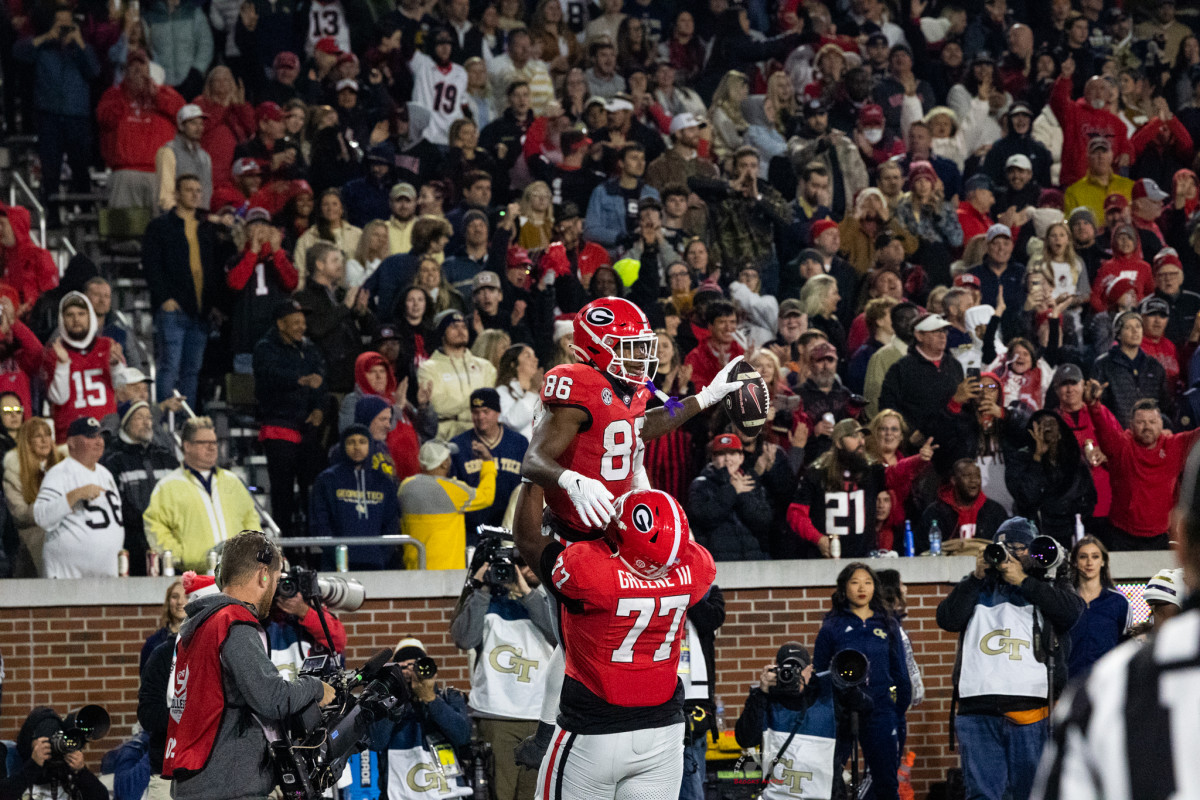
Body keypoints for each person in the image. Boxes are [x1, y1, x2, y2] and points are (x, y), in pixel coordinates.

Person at [512, 482, 716, 800]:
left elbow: (527, 539)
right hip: (663, 735)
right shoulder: (696, 569)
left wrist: (534, 478)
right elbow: (679, 550)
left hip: (595, 733)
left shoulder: (590, 572)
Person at [1030, 443, 1200, 800]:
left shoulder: (1105, 693)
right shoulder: (1069, 606)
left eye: (1095, 557)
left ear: (1180, 539)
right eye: (1083, 557)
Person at [162, 531, 335, 798]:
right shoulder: (232, 622)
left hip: (198, 780)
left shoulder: (199, 624)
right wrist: (315, 687)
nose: (275, 589)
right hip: (225, 788)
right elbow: (272, 698)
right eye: (276, 579)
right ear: (263, 574)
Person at [936, 517, 1084, 800]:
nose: (1010, 554)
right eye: (1004, 547)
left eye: (1019, 548)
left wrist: (1025, 581)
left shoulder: (1045, 585)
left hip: (1029, 707)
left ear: (1033, 552)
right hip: (977, 708)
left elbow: (1071, 614)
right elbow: (948, 619)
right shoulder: (979, 585)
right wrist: (975, 577)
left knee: (1032, 792)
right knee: (981, 795)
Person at [450, 551, 556, 800]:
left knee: (535, 794)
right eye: (517, 564)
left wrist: (526, 593)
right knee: (500, 794)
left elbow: (560, 634)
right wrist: (482, 588)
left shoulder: (550, 602)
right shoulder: (485, 603)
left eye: (527, 562)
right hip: (497, 716)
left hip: (541, 717)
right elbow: (463, 639)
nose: (523, 569)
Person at [814, 562, 910, 800]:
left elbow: (900, 672)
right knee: (829, 780)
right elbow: (820, 673)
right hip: (843, 713)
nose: (861, 588)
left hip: (881, 712)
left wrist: (897, 710)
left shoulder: (888, 624)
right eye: (855, 582)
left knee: (886, 783)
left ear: (875, 587)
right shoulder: (832, 626)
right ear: (843, 588)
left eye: (867, 582)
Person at [1085, 380, 1200, 550]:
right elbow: (1105, 427)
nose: (1147, 427)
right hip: (1121, 536)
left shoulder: (1174, 446)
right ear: (1131, 425)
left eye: (1152, 422)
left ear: (1161, 423)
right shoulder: (1121, 446)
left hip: (1161, 536)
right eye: (1141, 422)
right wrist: (1094, 405)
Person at [143, 416, 261, 571]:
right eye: (204, 442)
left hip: (237, 575)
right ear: (187, 446)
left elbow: (251, 520)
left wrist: (251, 553)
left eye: (214, 442)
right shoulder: (168, 486)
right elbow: (155, 526)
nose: (212, 447)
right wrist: (180, 556)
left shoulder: (233, 481)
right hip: (195, 576)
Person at [252, 300, 328, 534]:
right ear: (281, 324)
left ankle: (313, 542)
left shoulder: (310, 348)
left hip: (307, 428)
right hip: (279, 426)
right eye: (295, 322)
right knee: (282, 492)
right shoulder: (265, 348)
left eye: (303, 322)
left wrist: (319, 409)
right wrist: (299, 379)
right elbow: (269, 375)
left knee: (312, 489)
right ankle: (283, 544)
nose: (301, 327)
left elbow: (321, 382)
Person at [142, 175, 218, 409]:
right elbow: (151, 265)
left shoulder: (206, 229)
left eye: (198, 190)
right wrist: (164, 298)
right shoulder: (160, 227)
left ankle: (186, 422)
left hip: (200, 312)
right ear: (176, 194)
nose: (195, 194)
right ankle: (166, 420)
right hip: (173, 310)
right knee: (169, 366)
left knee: (191, 371)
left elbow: (213, 268)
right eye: (189, 190)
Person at [367, 637, 474, 799]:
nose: (411, 672)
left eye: (416, 666)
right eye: (404, 667)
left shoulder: (449, 697)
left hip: (446, 794)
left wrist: (431, 699)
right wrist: (397, 697)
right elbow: (377, 742)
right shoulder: (387, 704)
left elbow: (462, 736)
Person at [733, 641, 838, 800]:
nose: (792, 676)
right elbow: (746, 739)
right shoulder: (766, 699)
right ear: (777, 670)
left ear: (810, 670)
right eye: (787, 670)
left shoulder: (825, 697)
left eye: (798, 669)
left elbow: (865, 707)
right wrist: (760, 694)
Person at [33, 417, 123, 579]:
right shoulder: (59, 473)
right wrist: (74, 496)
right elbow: (41, 516)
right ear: (71, 443)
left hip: (106, 575)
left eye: (100, 436)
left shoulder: (106, 474)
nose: (99, 442)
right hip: (68, 577)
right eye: (91, 437)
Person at [103, 400, 179, 576]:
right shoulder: (113, 459)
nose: (147, 423)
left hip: (168, 540)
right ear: (126, 423)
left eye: (149, 418)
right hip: (133, 544)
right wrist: (145, 524)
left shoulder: (166, 457)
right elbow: (116, 503)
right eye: (139, 417)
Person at [399, 438, 496, 570]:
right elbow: (486, 496)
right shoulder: (452, 490)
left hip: (414, 571)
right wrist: (488, 463)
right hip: (447, 573)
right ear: (444, 463)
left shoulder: (405, 487)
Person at [42, 292, 125, 444]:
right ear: (62, 319)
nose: (76, 319)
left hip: (106, 435)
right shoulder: (54, 352)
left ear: (90, 316)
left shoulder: (108, 345)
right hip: (69, 438)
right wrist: (62, 364)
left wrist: (115, 365)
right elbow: (59, 398)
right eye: (70, 315)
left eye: (81, 314)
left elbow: (123, 388)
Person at [1007, 411, 1096, 547]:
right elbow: (1026, 497)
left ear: (1060, 433)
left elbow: (1088, 500)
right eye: (1041, 424)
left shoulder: (1073, 462)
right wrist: (1037, 457)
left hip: (1069, 535)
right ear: (1033, 432)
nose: (1047, 426)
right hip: (1034, 536)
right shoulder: (1019, 460)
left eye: (1052, 423)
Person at [450, 388, 528, 536]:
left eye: (486, 411)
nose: (480, 417)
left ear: (498, 412)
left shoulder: (519, 443)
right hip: (471, 530)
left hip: (509, 527)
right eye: (475, 412)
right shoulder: (459, 445)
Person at [687, 433, 771, 561]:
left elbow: (763, 521)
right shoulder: (701, 484)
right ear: (713, 458)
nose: (727, 459)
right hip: (718, 561)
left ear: (741, 457)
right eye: (721, 454)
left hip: (753, 560)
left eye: (732, 453)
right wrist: (732, 490)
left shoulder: (750, 482)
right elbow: (704, 518)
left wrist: (741, 494)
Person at [418, 310, 498, 439]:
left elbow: (491, 402)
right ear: (442, 332)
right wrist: (476, 403)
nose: (461, 331)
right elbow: (437, 406)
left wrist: (459, 409)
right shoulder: (428, 368)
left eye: (464, 327)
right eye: (454, 327)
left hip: (482, 433)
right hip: (446, 437)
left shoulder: (485, 366)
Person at [0, 707, 109, 800]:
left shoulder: (67, 768)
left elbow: (101, 797)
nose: (49, 748)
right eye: (43, 742)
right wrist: (34, 765)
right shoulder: (10, 760)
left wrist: (81, 772)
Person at [1066, 535, 1131, 680]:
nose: (1089, 562)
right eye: (1083, 557)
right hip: (1071, 682)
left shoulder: (1118, 602)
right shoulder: (1066, 601)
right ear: (1075, 562)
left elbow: (1126, 646)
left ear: (1103, 561)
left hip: (1108, 681)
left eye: (1095, 557)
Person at [2, 417, 59, 577]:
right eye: (38, 436)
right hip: (31, 535)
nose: (44, 440)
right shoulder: (14, 471)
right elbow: (20, 514)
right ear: (27, 442)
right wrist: (52, 509)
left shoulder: (63, 465)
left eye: (47, 435)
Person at [918, 458, 1010, 550]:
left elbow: (1005, 547)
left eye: (977, 476)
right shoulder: (935, 512)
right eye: (967, 476)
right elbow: (923, 549)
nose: (973, 480)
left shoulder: (995, 511)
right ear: (954, 480)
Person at [155, 105, 213, 213]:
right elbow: (165, 193)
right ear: (181, 126)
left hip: (198, 217)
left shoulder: (205, 157)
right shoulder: (168, 151)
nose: (199, 128)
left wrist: (202, 216)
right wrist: (174, 217)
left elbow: (206, 191)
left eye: (201, 124)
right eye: (193, 123)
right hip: (175, 216)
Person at [140, 580, 185, 673]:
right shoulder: (153, 644)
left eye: (187, 596)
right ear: (168, 602)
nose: (180, 602)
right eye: (175, 596)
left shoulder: (203, 641)